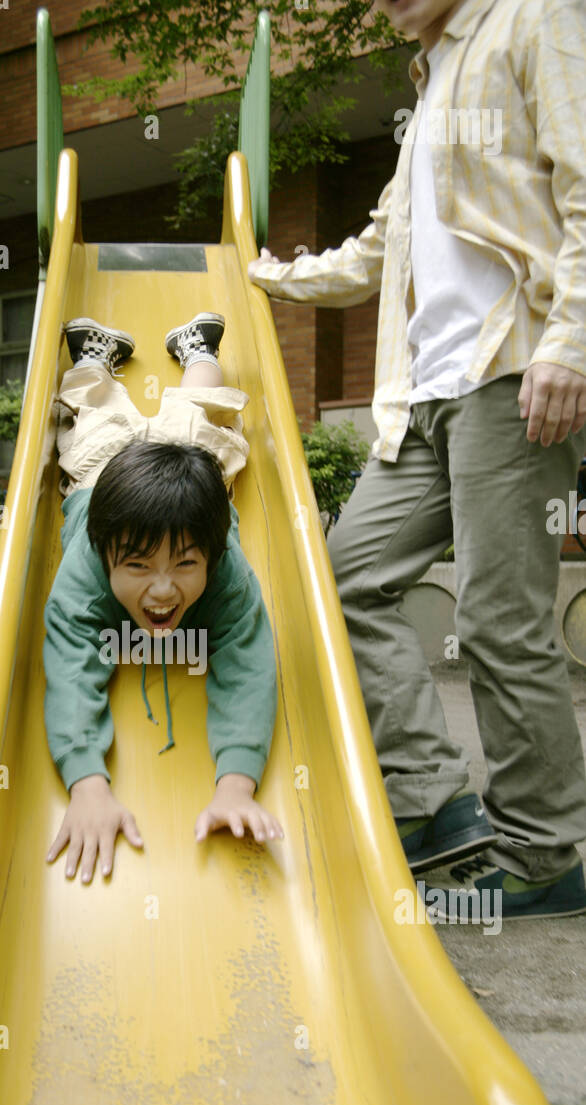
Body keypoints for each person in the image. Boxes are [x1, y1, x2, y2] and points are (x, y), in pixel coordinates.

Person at [247, 0, 586, 922]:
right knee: (346, 579)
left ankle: (546, 850)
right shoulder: (431, 79)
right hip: (422, 393)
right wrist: (265, 277)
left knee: (498, 617)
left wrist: (570, 343)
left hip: (509, 370)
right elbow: (376, 250)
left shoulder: (534, 20)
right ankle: (438, 803)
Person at [43, 312, 284, 884]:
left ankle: (198, 354)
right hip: (105, 480)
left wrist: (236, 786)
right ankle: (95, 362)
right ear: (106, 556)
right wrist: (87, 785)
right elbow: (71, 663)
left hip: (186, 489)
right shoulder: (86, 569)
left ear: (211, 553)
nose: (161, 588)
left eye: (184, 566)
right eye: (137, 567)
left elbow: (248, 664)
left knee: (197, 425)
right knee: (95, 426)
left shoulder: (225, 569)